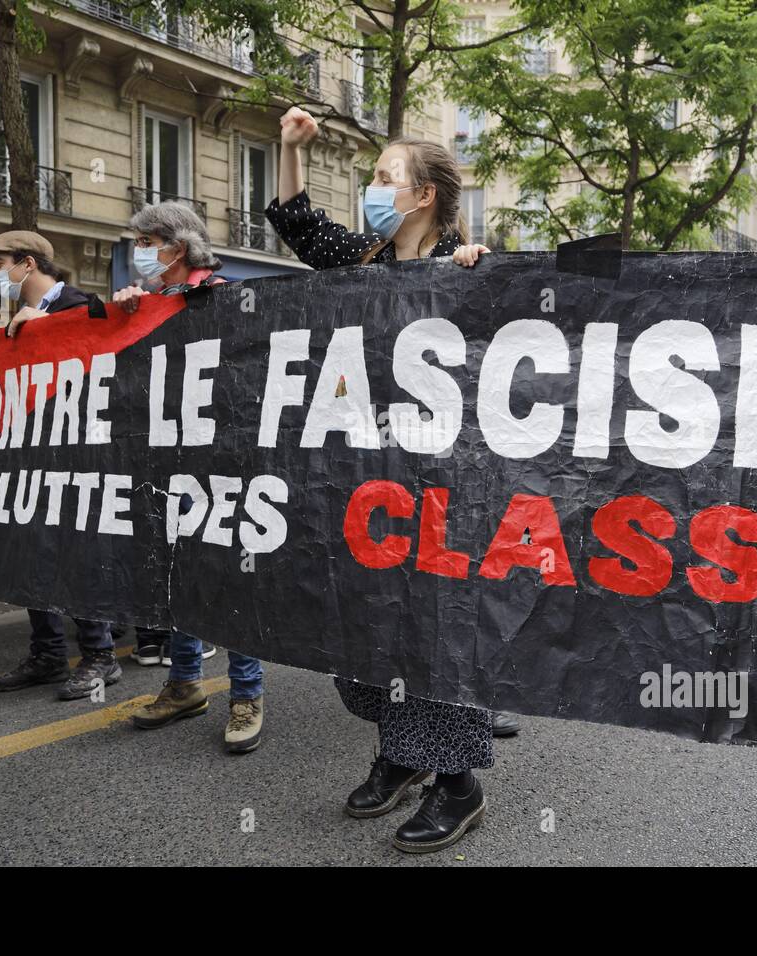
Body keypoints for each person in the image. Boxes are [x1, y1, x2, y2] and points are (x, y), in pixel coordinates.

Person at [264, 106, 497, 853]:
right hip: (362, 486)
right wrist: (289, 149)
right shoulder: (360, 260)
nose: (371, 187)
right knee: (360, 632)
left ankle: (457, 784)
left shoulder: (466, 267)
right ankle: (402, 752)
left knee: (427, 633)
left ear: (423, 195)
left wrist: (478, 279)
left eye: (383, 177)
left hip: (441, 492)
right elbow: (297, 223)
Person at [115, 200, 267, 753]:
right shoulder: (148, 304)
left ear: (177, 247)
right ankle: (184, 685)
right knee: (175, 577)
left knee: (228, 579)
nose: (140, 252)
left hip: (223, 465)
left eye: (147, 241)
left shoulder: (223, 296)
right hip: (165, 464)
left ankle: (247, 694)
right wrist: (129, 315)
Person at [0, 231, 122, 701]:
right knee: (29, 556)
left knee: (73, 557)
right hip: (30, 460)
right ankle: (49, 653)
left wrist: (55, 325)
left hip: (80, 459)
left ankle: (100, 655)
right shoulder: (15, 319)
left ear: (27, 263)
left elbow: (108, 365)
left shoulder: (83, 305)